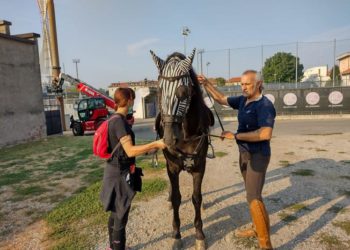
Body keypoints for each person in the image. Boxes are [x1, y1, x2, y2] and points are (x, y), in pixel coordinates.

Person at [198, 70, 276, 250]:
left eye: (247, 84)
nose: (243, 87)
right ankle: (256, 228)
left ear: (258, 83)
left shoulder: (264, 105)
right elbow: (221, 99)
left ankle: (266, 245)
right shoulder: (242, 100)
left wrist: (236, 136)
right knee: (252, 194)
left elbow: (265, 133)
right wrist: (206, 83)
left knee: (254, 196)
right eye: (241, 84)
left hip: (259, 155)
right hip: (244, 154)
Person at [100, 87, 167, 250]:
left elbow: (126, 150)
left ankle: (112, 247)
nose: (133, 101)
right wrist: (155, 143)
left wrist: (150, 150)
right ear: (129, 99)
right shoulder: (119, 122)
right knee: (121, 216)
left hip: (115, 170)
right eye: (133, 98)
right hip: (119, 175)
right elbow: (130, 150)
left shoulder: (115, 119)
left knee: (116, 213)